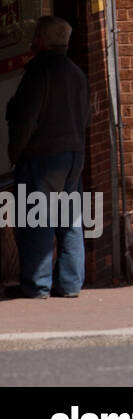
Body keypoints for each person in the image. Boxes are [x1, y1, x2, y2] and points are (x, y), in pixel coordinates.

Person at [5, 16, 90, 299]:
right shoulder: (77, 72)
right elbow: (86, 117)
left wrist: (15, 152)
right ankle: (70, 284)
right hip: (74, 156)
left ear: (40, 39)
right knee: (70, 219)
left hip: (43, 157)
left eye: (34, 36)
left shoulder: (39, 71)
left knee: (37, 220)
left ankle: (37, 285)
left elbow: (26, 120)